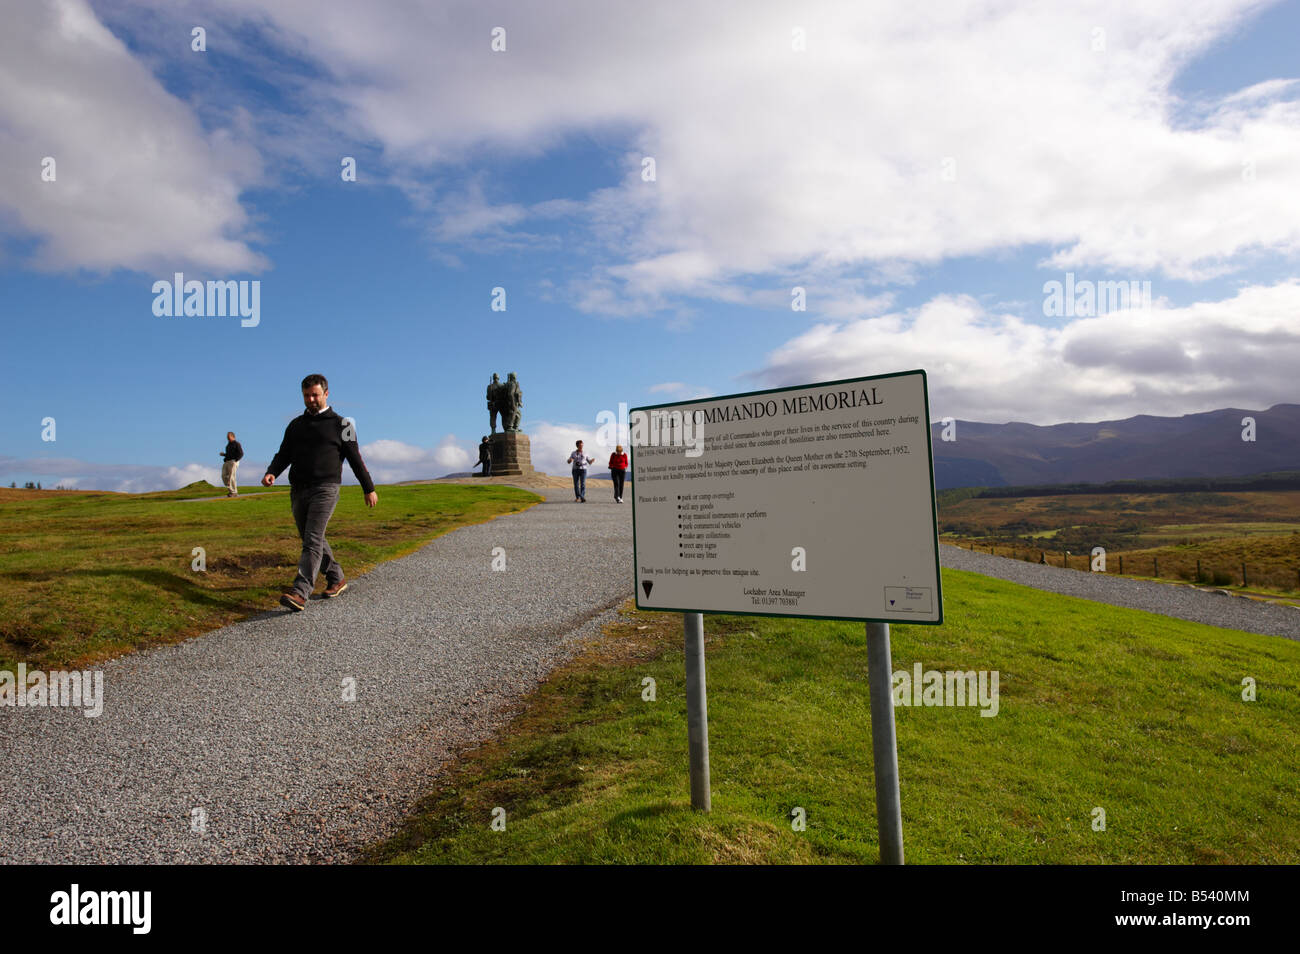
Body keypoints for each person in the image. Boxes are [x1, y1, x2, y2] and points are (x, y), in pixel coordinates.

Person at [262, 374, 378, 612]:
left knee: (312, 539)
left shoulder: (343, 424)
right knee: (310, 538)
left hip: (326, 488)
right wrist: (272, 472)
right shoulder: (295, 425)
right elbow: (284, 454)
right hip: (299, 488)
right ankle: (336, 577)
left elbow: (356, 459)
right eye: (306, 395)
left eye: (315, 395)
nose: (311, 399)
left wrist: (369, 488)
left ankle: (300, 592)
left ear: (326, 393)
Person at [220, 431, 244, 497]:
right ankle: (231, 489)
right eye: (227, 437)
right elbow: (229, 454)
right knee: (223, 475)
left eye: (228, 437)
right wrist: (224, 454)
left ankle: (233, 492)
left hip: (233, 461)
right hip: (227, 461)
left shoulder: (237, 444)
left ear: (233, 436)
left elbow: (241, 453)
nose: (227, 438)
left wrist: (236, 460)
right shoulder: (228, 445)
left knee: (232, 477)